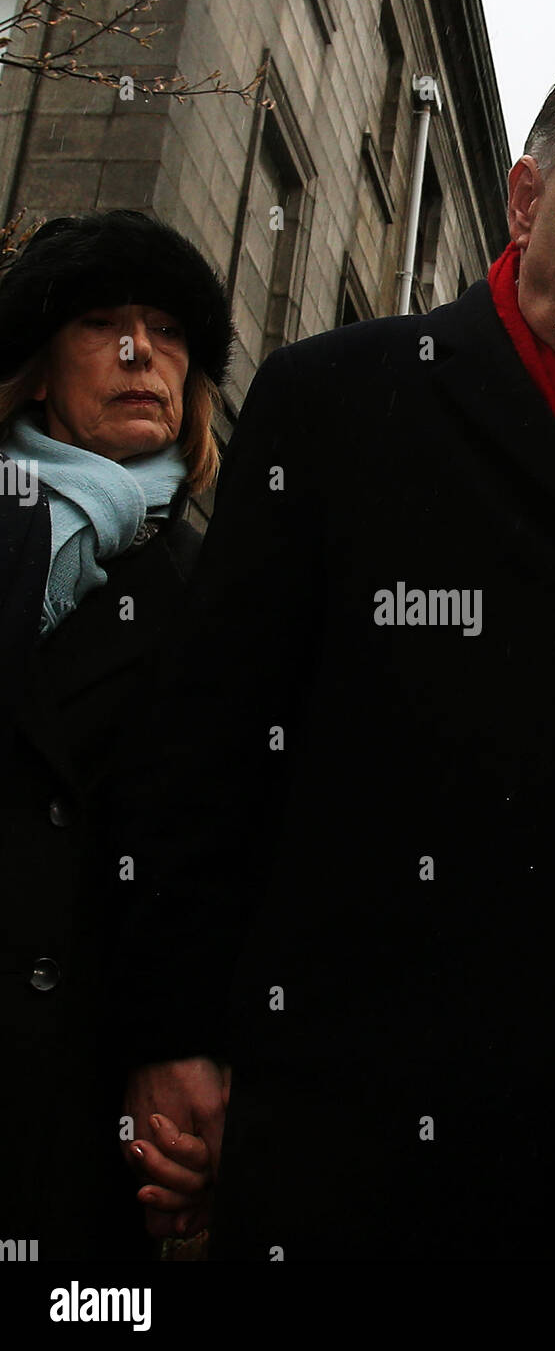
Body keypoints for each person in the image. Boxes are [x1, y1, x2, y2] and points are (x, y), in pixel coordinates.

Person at [114, 50, 555, 1260]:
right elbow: (205, 755)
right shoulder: (335, 409)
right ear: (521, 198)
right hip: (362, 1141)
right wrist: (172, 1030)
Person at [0, 210, 233, 1259]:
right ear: (40, 369)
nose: (142, 353)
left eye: (170, 332)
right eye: (103, 324)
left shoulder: (223, 589)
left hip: (88, 1125)